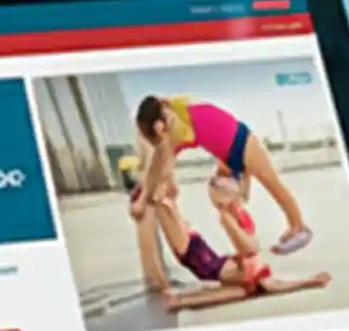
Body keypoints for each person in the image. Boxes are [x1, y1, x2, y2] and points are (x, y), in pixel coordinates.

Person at [131, 94, 313, 255]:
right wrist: (149, 193)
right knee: (221, 196)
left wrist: (148, 194)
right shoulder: (175, 128)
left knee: (274, 186)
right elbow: (159, 165)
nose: (163, 135)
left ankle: (299, 227)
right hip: (226, 157)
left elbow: (162, 163)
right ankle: (247, 240)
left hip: (245, 143)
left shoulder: (178, 115)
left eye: (161, 131)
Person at [147, 168, 332, 312]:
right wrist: (309, 282)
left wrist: (311, 282)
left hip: (199, 257)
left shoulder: (247, 283)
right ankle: (158, 182)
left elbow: (213, 296)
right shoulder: (247, 283)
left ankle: (156, 181)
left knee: (163, 202)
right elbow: (280, 285)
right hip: (202, 257)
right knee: (165, 202)